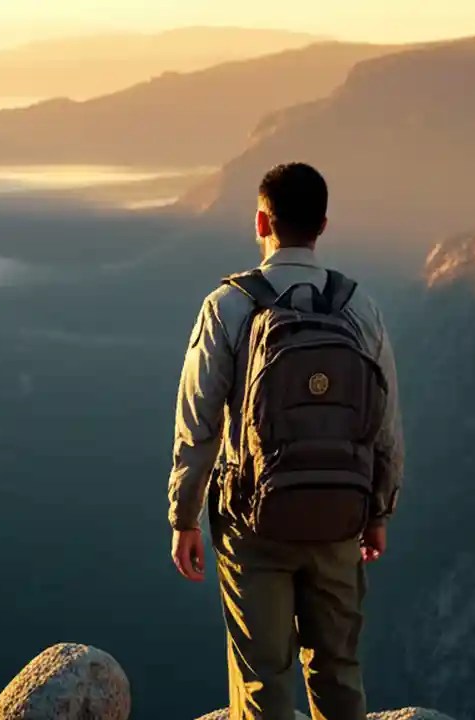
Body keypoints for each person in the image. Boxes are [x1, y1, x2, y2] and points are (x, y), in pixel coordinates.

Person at [166, 163, 404, 720]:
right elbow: (386, 423)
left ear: (260, 221)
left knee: (263, 675)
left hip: (254, 524)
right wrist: (378, 511)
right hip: (340, 517)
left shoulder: (228, 306)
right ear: (322, 225)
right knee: (338, 668)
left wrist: (184, 516)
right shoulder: (358, 307)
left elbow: (198, 424)